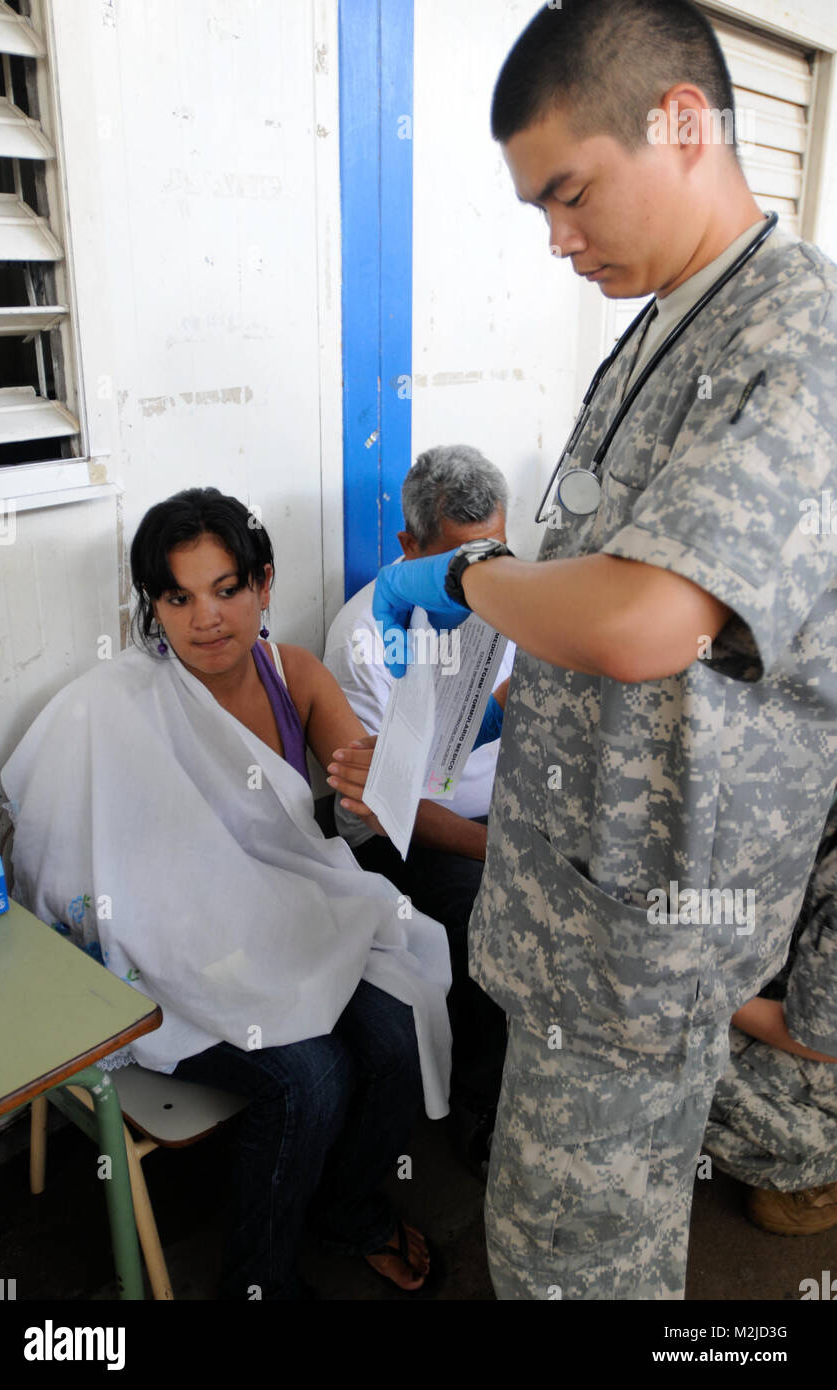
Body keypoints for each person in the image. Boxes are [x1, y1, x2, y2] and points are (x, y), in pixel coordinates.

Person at [366, 0, 837, 1299]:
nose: (559, 241)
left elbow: (642, 621)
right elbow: (599, 584)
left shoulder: (791, 338)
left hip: (645, 943)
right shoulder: (659, 326)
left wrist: (471, 572)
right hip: (573, 909)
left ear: (681, 122)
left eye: (569, 194)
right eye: (537, 211)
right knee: (552, 1240)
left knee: (571, 1267)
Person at [1, 486, 453, 1300]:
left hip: (286, 910)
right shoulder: (121, 705)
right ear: (154, 606)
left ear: (263, 583)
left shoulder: (295, 674)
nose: (205, 619)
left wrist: (369, 790)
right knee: (309, 1079)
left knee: (393, 1029)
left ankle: (345, 1211)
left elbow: (368, 805)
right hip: (175, 947)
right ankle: (258, 1281)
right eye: (177, 597)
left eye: (226, 589)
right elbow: (77, 865)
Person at [324, 444, 514, 1174]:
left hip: (502, 811)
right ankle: (483, 1113)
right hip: (400, 835)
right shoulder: (366, 639)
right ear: (409, 550)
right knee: (486, 919)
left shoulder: (505, 600)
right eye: (462, 564)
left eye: (496, 555)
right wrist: (500, 852)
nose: (484, 579)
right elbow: (389, 803)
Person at [704, 791, 837, 1234]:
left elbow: (817, 1040)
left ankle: (817, 1170)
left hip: (821, 1037)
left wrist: (702, 986)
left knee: (660, 1042)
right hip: (805, 977)